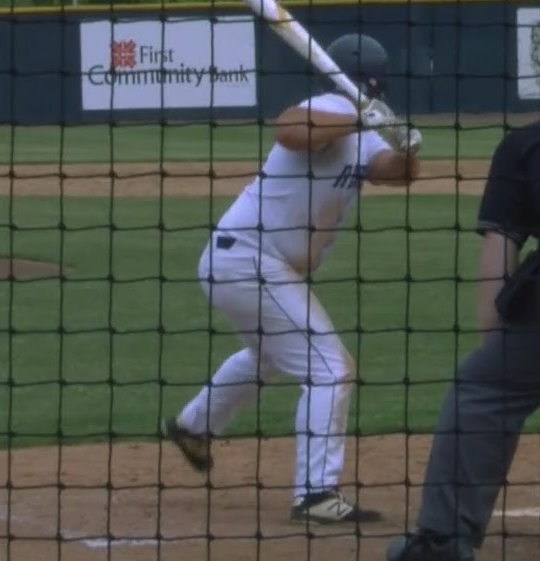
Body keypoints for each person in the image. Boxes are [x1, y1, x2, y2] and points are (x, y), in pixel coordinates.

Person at [161, 33, 424, 524]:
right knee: (331, 368)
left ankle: (193, 426)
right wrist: (360, 116)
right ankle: (316, 493)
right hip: (249, 260)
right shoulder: (324, 106)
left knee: (267, 358)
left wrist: (407, 146)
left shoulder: (363, 130)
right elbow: (288, 129)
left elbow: (397, 174)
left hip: (246, 262)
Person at [386, 122, 540, 560]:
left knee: (485, 390)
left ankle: (442, 539)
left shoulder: (526, 144)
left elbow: (502, 246)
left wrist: (497, 347)